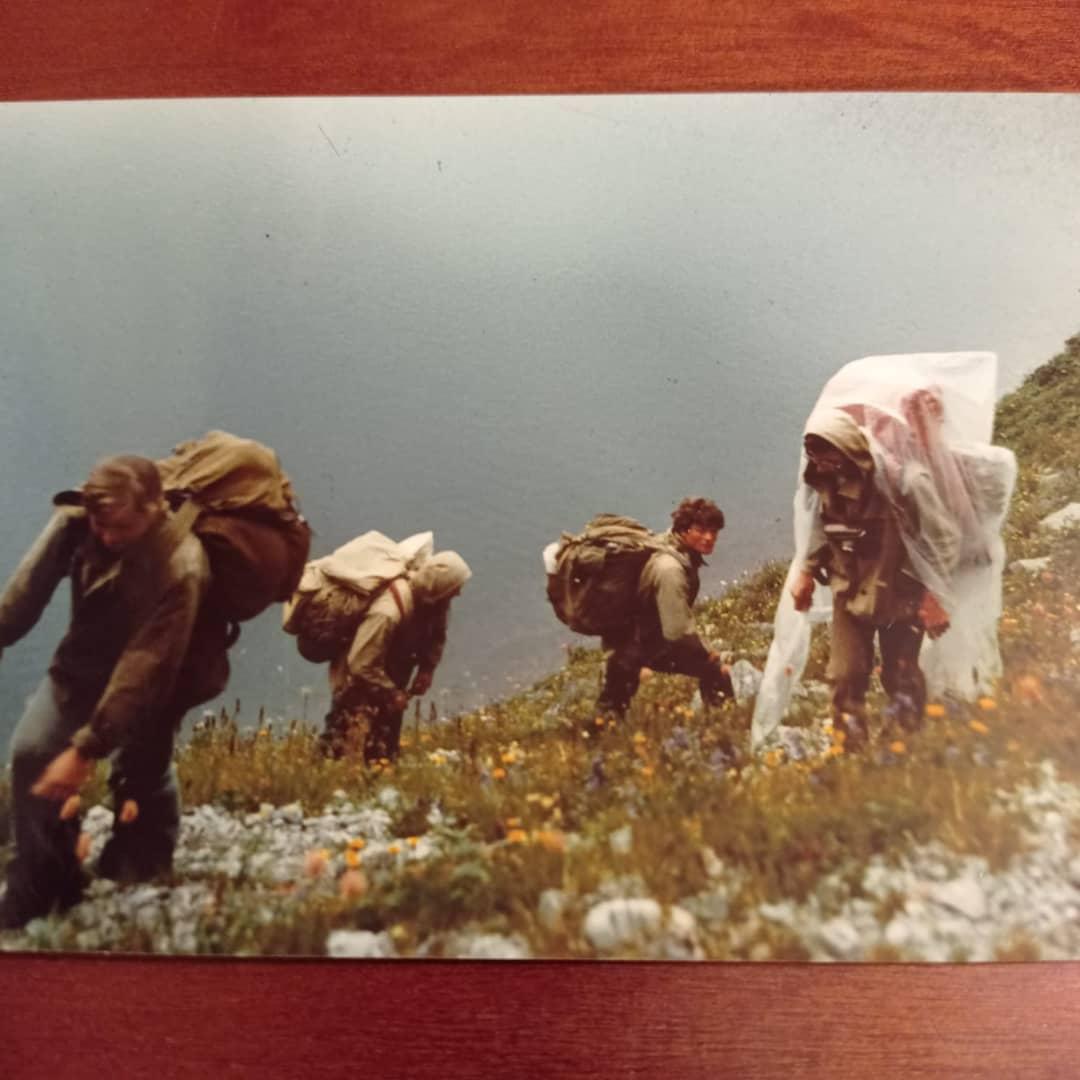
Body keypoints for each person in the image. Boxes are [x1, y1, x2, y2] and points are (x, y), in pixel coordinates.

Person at [0, 455, 229, 929]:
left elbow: (144, 667)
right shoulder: (78, 523)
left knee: (140, 768)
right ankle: (46, 879)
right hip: (79, 670)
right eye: (100, 527)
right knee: (32, 754)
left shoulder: (183, 565)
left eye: (120, 528)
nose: (106, 539)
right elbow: (26, 593)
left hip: (162, 677)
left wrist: (85, 749)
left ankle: (143, 860)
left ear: (155, 507)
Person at [789, 409, 959, 749]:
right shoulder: (822, 484)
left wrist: (934, 595)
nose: (820, 463)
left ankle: (903, 745)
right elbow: (819, 528)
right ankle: (852, 754)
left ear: (849, 449)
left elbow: (944, 539)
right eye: (813, 454)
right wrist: (806, 570)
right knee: (844, 674)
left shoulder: (906, 483)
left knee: (901, 673)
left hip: (900, 595)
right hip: (849, 592)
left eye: (828, 454)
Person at [320, 550, 471, 763]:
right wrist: (391, 693)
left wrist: (427, 669)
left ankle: (380, 771)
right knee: (341, 737)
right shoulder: (386, 613)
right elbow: (361, 664)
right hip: (357, 681)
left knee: (385, 744)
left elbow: (437, 635)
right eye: (455, 588)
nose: (458, 594)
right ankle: (327, 773)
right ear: (438, 585)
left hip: (391, 678)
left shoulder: (436, 602)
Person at [595, 497, 734, 721]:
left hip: (633, 643)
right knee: (715, 670)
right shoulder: (671, 569)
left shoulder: (671, 547)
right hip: (637, 646)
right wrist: (708, 654)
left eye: (714, 531)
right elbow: (677, 631)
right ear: (684, 529)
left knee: (610, 709)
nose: (709, 537)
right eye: (700, 530)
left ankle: (719, 726)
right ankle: (723, 725)